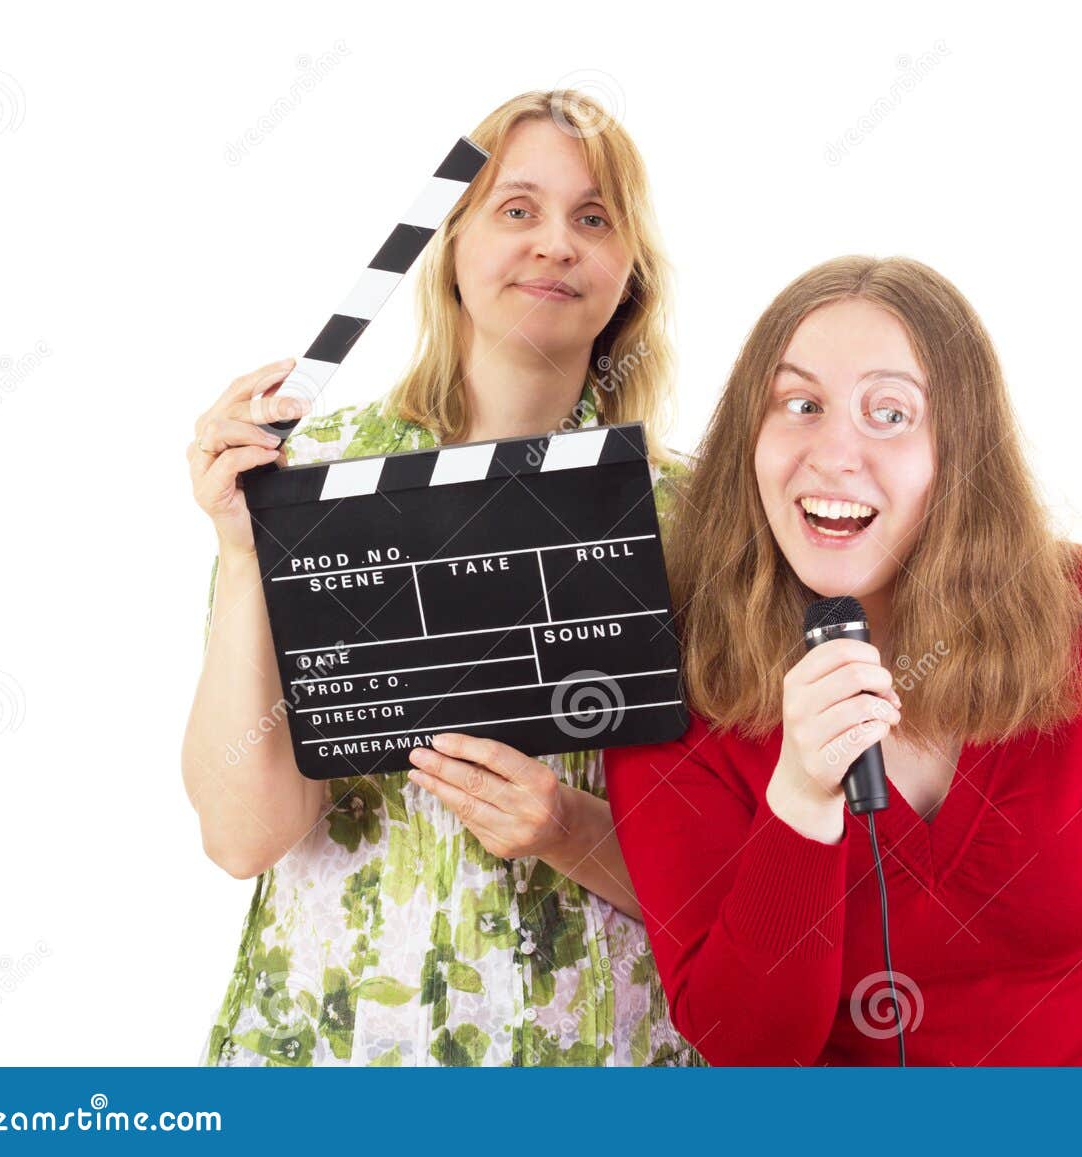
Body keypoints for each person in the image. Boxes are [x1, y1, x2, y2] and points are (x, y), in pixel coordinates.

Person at [604, 255, 1082, 1066]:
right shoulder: (671, 687)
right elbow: (748, 1046)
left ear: (959, 450)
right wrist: (798, 797)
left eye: (890, 414)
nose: (833, 454)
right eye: (799, 404)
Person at [183, 90, 700, 1066]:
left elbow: (738, 883)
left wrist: (573, 827)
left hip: (601, 1059)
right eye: (517, 208)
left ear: (627, 271)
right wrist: (248, 554)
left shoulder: (696, 517)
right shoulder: (304, 478)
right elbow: (244, 835)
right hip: (343, 1054)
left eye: (593, 217)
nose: (554, 242)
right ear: (450, 245)